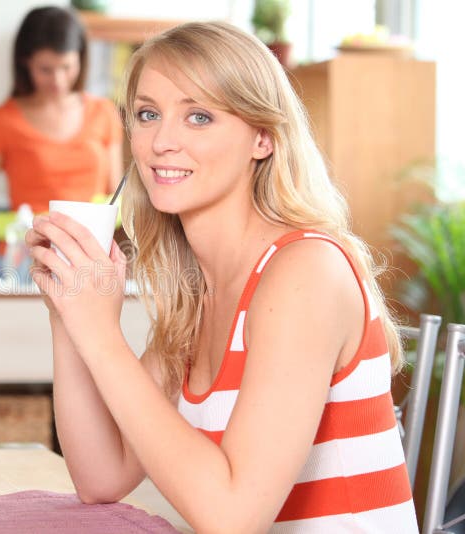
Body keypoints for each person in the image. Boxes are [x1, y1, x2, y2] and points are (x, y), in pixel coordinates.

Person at [26, 21, 417, 532]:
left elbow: (232, 516)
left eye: (199, 117)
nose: (161, 141)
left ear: (262, 137)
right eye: (148, 114)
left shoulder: (305, 273)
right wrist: (68, 312)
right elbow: (100, 476)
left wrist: (102, 335)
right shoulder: (199, 295)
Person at [0, 6, 123, 245]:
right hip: (25, 261)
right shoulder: (0, 121)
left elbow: (115, 203)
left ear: (81, 58)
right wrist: (28, 225)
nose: (58, 80)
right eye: (45, 69)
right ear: (26, 63)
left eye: (67, 67)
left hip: (87, 257)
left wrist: (99, 216)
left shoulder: (104, 113)